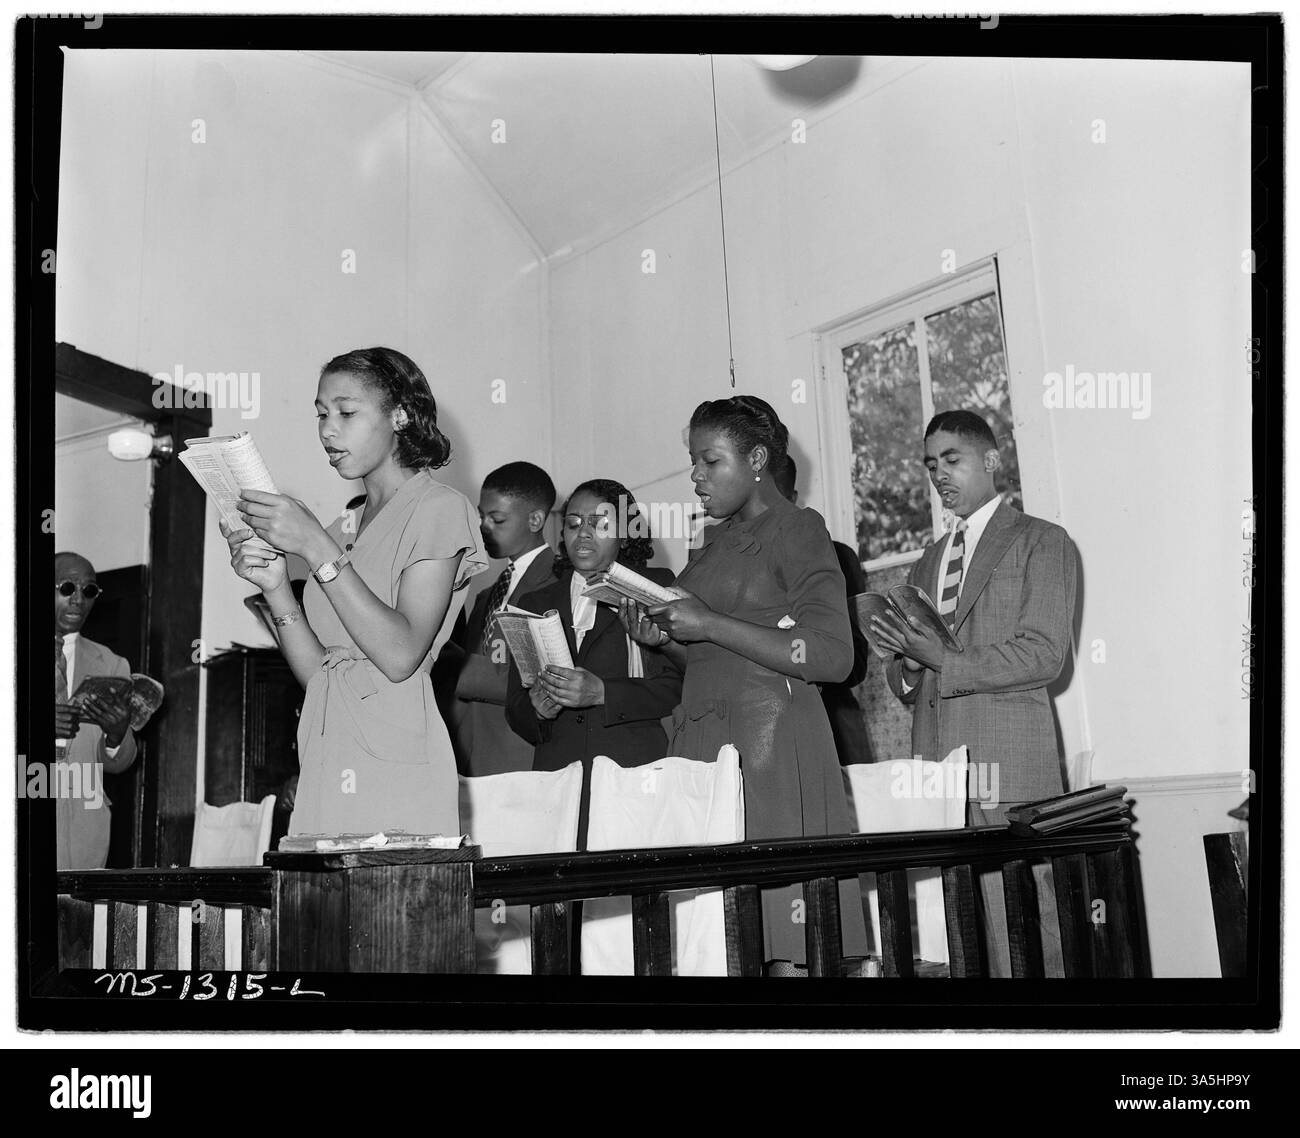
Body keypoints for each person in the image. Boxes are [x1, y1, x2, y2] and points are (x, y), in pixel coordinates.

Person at [623, 395, 869, 974]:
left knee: (782, 940)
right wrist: (667, 639)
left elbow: (832, 655)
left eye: (710, 461)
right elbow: (716, 658)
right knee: (719, 939)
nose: (695, 476)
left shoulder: (798, 529)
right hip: (707, 747)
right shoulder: (710, 545)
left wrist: (707, 621)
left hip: (772, 750)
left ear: (757, 459)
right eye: (693, 462)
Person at [222, 346, 486, 837]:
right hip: (326, 753)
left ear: (401, 416)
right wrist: (277, 586)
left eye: (346, 412)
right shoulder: (343, 525)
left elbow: (400, 655)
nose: (327, 429)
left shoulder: (439, 508)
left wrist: (316, 548)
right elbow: (320, 674)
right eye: (321, 414)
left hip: (396, 762)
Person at [872, 408, 1078, 977]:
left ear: (990, 460)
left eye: (952, 460)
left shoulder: (1043, 540)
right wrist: (910, 667)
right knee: (967, 943)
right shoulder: (927, 562)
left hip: (1010, 768)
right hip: (941, 771)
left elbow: (1044, 655)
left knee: (1037, 935)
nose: (939, 475)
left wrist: (945, 660)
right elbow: (906, 678)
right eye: (931, 464)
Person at [505, 479, 682, 848]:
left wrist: (603, 693)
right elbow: (515, 708)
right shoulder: (535, 601)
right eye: (573, 523)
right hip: (557, 782)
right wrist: (537, 708)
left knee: (633, 898)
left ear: (625, 531)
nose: (583, 534)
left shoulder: (655, 588)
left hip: (632, 774)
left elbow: (678, 687)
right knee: (560, 903)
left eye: (600, 524)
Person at [447, 462, 557, 777]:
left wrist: (453, 664)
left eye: (497, 519)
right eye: (482, 516)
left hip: (524, 757)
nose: (484, 527)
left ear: (535, 519)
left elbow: (541, 676)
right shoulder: (485, 596)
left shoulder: (560, 582)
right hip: (474, 757)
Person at [772, 455, 875, 766]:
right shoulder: (730, 560)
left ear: (793, 501)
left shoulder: (838, 557)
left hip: (833, 731)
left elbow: (855, 663)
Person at [53, 552, 138, 869]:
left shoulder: (113, 664)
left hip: (85, 822)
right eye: (67, 588)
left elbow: (121, 763)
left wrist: (117, 735)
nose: (78, 600)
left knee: (76, 916)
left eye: (88, 591)